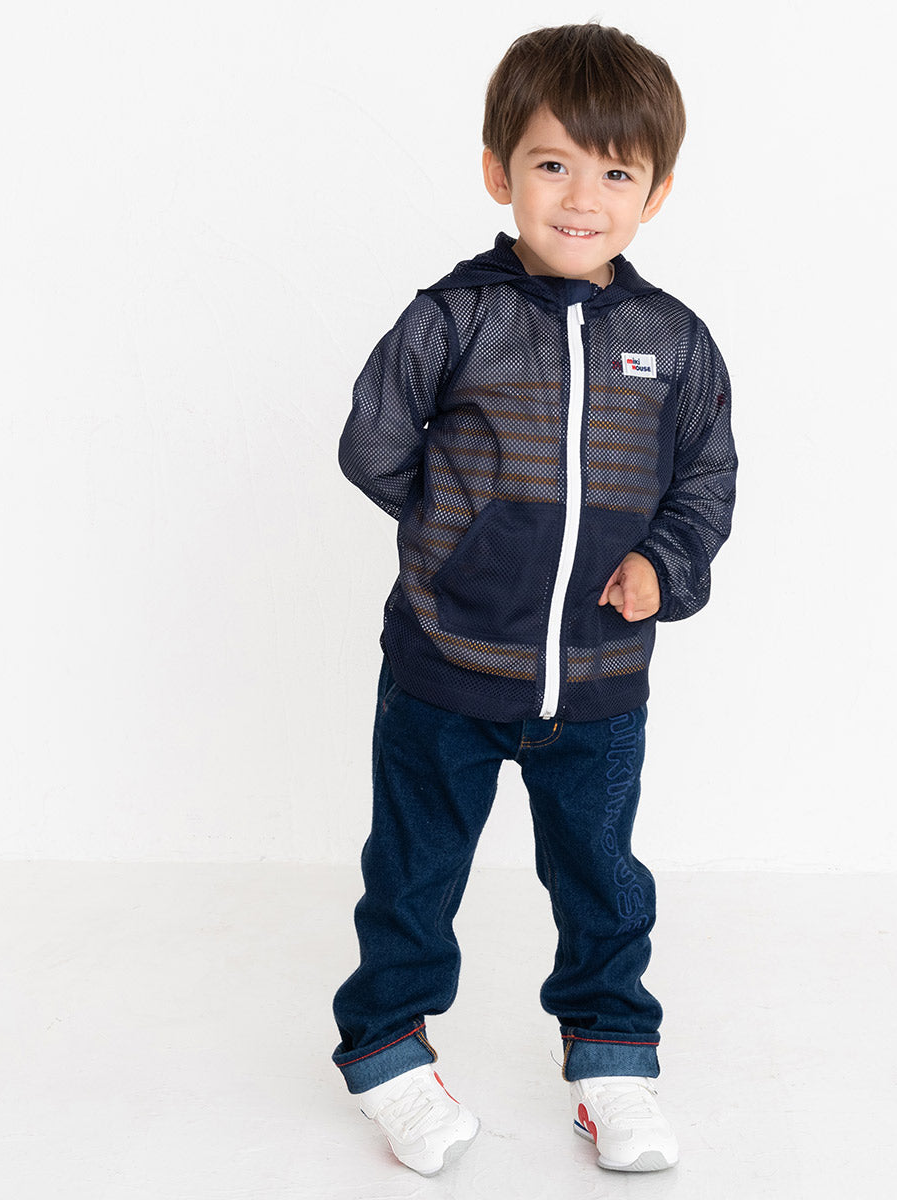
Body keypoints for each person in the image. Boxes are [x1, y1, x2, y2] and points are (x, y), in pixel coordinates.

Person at [332, 22, 737, 1177]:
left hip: (599, 681)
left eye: (615, 172)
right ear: (497, 170)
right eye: (553, 164)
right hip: (445, 673)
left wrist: (665, 564)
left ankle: (612, 1062)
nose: (581, 198)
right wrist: (464, 539)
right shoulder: (456, 317)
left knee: (604, 880)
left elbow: (706, 479)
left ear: (656, 192)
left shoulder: (672, 343)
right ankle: (389, 1056)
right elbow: (374, 441)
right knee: (414, 874)